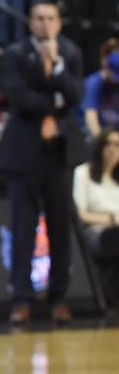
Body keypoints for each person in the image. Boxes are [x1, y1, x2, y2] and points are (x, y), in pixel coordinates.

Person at [2, 1, 85, 328]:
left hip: (59, 151)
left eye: (51, 18)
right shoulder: (15, 53)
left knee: (61, 227)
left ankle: (59, 297)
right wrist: (53, 106)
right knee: (23, 228)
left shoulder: (71, 52)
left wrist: (58, 70)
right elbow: (19, 95)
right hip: (24, 150)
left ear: (60, 22)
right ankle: (21, 299)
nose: (45, 24)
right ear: (30, 23)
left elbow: (77, 94)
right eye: (39, 18)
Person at [74, 129, 119, 306]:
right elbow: (81, 213)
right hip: (96, 232)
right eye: (108, 144)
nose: (112, 149)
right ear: (99, 146)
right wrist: (113, 219)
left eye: (117, 145)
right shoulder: (83, 173)